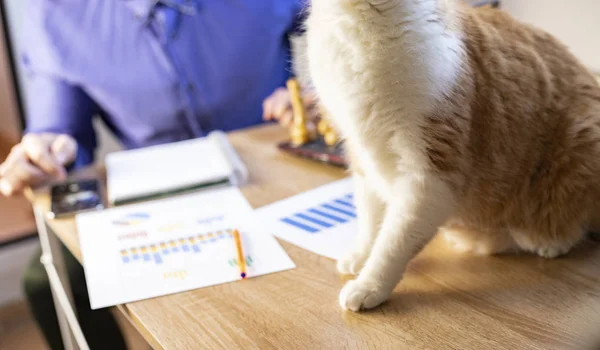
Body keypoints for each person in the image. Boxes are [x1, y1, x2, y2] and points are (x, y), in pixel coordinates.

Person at [0, 0, 314, 348]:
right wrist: (44, 150)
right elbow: (62, 126)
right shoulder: (54, 10)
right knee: (47, 280)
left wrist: (323, 88)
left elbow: (352, 22)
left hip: (278, 170)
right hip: (152, 193)